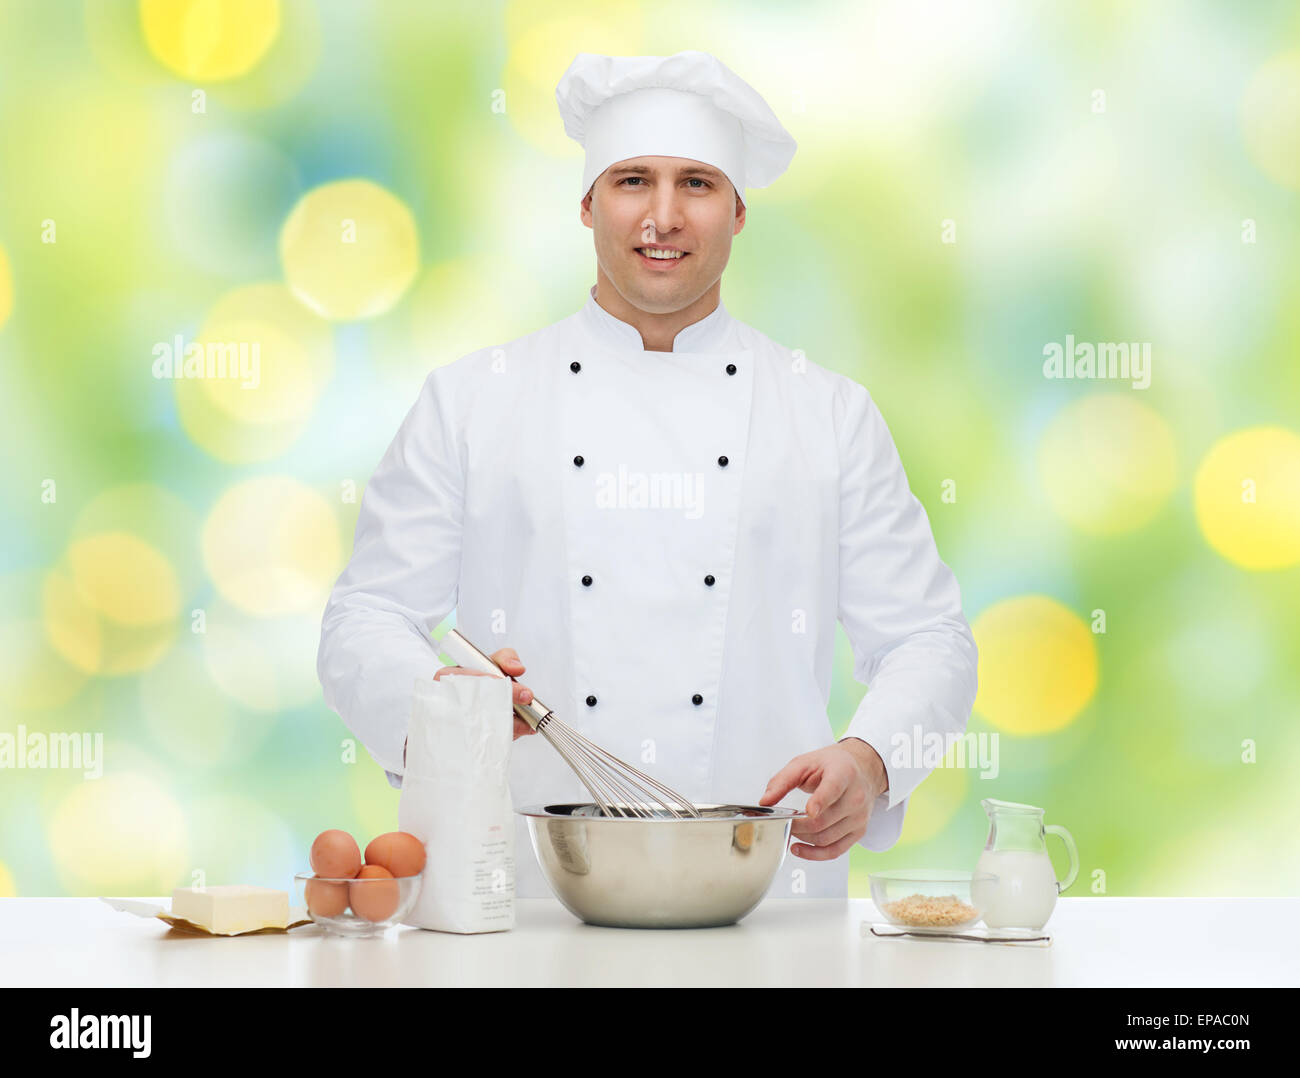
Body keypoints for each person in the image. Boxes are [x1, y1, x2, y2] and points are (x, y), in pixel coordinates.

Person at [317, 49, 978, 899]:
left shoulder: (830, 415)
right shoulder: (470, 404)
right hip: (523, 902)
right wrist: (443, 704)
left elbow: (929, 638)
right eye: (633, 181)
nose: (662, 216)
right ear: (589, 204)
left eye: (696, 185)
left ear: (738, 213)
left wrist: (872, 758)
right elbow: (363, 618)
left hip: (768, 907)